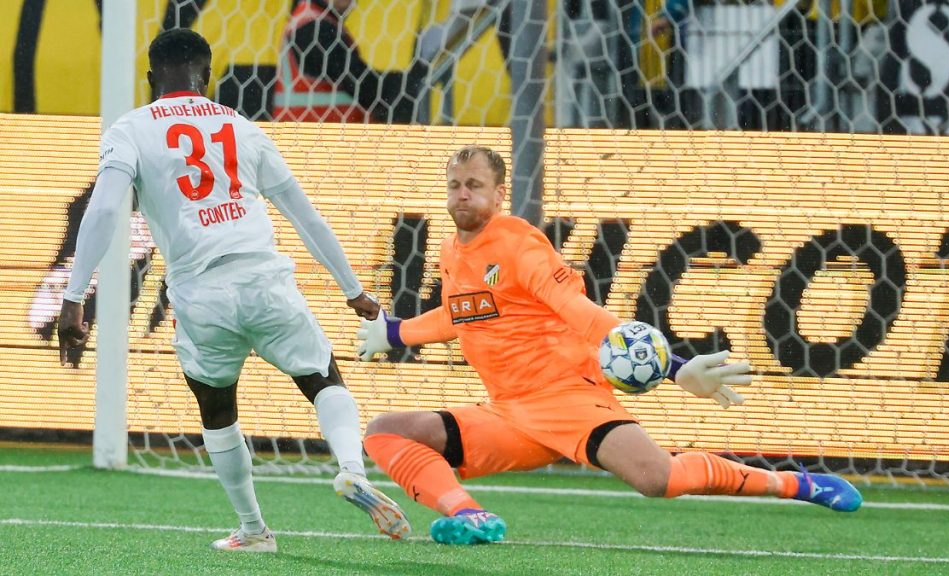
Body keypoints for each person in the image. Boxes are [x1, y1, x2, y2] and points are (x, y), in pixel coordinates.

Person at [354, 145, 863, 545]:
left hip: (568, 398)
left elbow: (579, 311)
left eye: (474, 185)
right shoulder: (451, 249)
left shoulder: (519, 243)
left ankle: (798, 485)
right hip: (508, 413)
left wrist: (676, 367)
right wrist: (396, 331)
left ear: (500, 193)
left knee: (657, 479)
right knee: (388, 432)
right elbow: (462, 313)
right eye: (454, 186)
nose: (462, 195)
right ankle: (470, 516)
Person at [56, 28, 410, 552]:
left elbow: (106, 209)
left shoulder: (130, 129)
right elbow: (303, 213)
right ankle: (352, 469)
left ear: (151, 77)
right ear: (209, 72)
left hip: (201, 295)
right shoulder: (242, 127)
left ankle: (252, 529)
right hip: (265, 279)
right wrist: (353, 289)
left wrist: (73, 297)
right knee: (323, 378)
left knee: (217, 408)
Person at [274, 0, 429, 123]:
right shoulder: (314, 28)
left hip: (321, 138)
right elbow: (364, 85)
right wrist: (410, 82)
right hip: (312, 138)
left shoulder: (315, 20)